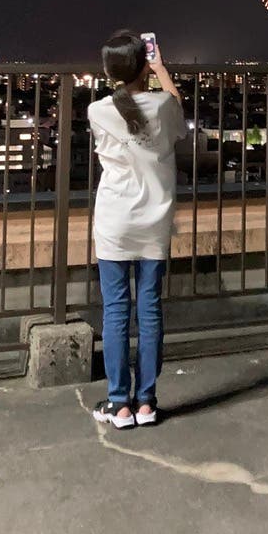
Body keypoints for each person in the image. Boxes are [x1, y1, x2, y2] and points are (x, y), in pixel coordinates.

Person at [88, 30, 186, 428]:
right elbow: (178, 110)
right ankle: (146, 402)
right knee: (149, 308)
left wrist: (143, 72)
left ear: (110, 70)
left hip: (114, 220)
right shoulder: (164, 106)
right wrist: (161, 70)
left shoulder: (98, 111)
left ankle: (118, 403)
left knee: (115, 309)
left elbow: (125, 105)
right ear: (144, 64)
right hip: (154, 220)